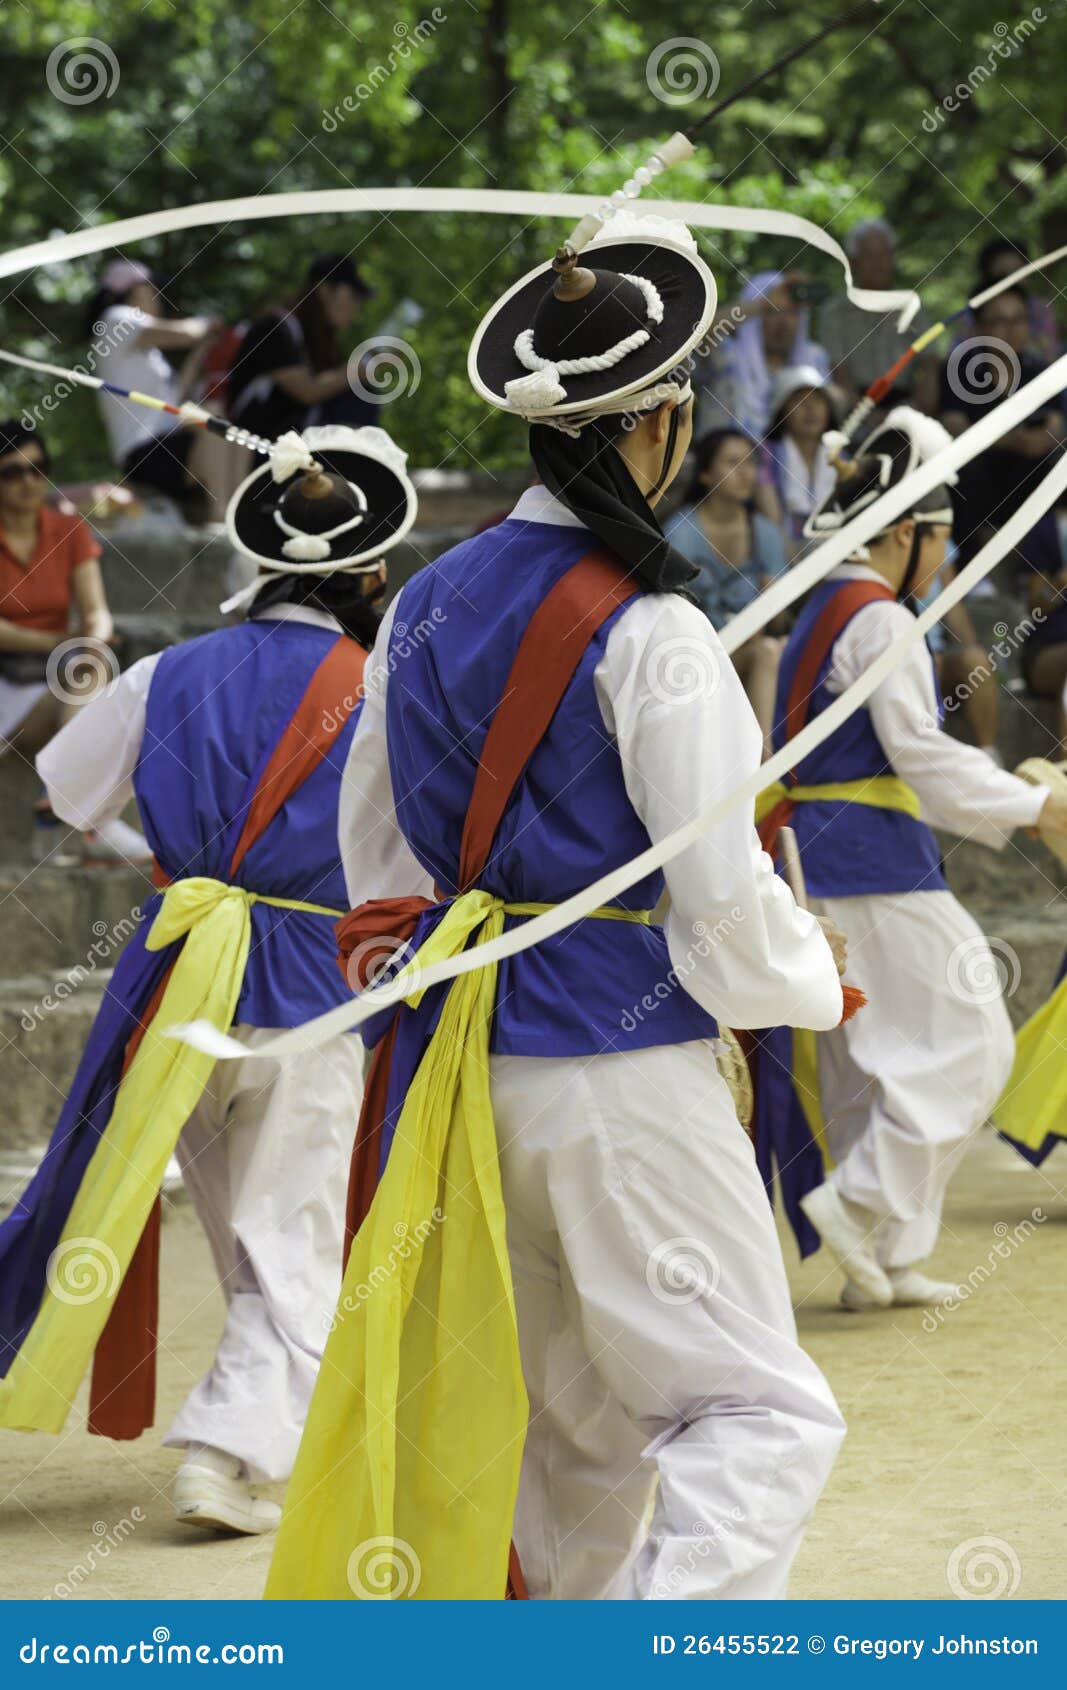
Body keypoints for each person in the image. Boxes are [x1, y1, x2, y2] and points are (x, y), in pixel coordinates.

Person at [267, 211, 849, 1603]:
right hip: (623, 1069)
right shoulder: (649, 631)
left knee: (576, 1437)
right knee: (757, 1412)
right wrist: (809, 979)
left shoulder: (409, 612)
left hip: (469, 1077)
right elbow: (715, 896)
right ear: (653, 419)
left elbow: (378, 871)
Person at [0, 425, 420, 1538]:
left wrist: (192, 845)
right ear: (370, 570)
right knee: (292, 1233)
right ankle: (225, 1450)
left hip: (176, 977)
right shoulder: (382, 690)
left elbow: (66, 789)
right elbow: (410, 860)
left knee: (223, 1226)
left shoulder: (162, 670)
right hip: (310, 982)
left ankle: (237, 1444)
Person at [754, 407, 1067, 1312]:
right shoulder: (879, 617)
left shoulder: (826, 606)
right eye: (937, 534)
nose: (945, 551)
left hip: (823, 857)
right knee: (971, 1039)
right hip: (870, 857)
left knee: (874, 1065)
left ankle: (884, 1258)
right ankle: (860, 1208)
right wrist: (1036, 803)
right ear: (900, 530)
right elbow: (920, 758)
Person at [0, 417, 149, 864]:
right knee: (97, 690)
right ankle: (88, 821)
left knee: (94, 669)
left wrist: (93, 642)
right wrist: (57, 642)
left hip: (49, 681)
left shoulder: (66, 531)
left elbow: (97, 613)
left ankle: (63, 795)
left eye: (37, 468)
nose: (28, 481)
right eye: (12, 472)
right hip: (7, 683)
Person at [663, 427, 788, 752]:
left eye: (750, 463)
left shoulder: (764, 531)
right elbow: (669, 616)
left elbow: (778, 618)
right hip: (693, 655)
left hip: (750, 649)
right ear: (705, 474)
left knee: (779, 647)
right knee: (768, 652)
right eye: (732, 463)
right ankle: (764, 760)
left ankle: (766, 754)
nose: (745, 473)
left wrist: (769, 609)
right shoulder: (680, 533)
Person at [940, 285, 1064, 579]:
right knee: (963, 474)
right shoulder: (961, 369)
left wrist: (1031, 440)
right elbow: (954, 427)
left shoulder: (1040, 369)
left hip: (1027, 473)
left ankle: (1046, 574)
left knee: (1052, 468)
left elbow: (1054, 429)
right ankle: (969, 573)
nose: (1011, 330)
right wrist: (1011, 439)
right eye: (1000, 321)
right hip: (979, 481)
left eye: (1019, 320)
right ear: (981, 328)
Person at [86, 259, 227, 517]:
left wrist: (203, 348)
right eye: (153, 288)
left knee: (221, 422)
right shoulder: (116, 319)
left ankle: (224, 511)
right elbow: (185, 333)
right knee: (216, 417)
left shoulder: (146, 353)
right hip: (147, 453)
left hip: (163, 448)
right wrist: (210, 323)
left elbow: (178, 399)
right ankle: (223, 515)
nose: (158, 297)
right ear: (136, 289)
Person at [227, 253, 375, 442]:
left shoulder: (315, 341)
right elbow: (307, 392)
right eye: (353, 296)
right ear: (324, 289)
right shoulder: (276, 327)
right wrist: (356, 369)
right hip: (252, 448)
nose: (357, 307)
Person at [819, 219, 937, 413]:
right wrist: (865, 415)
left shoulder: (913, 306)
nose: (878, 264)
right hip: (852, 405)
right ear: (854, 263)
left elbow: (929, 364)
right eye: (869, 256)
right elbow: (837, 369)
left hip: (905, 405)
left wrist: (915, 409)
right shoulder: (835, 311)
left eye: (884, 255)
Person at [700, 270, 828, 439]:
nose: (783, 323)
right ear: (755, 319)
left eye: (791, 313)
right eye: (772, 312)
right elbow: (698, 333)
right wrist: (760, 303)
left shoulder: (814, 359)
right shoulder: (729, 356)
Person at [757, 364, 841, 558]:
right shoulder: (767, 455)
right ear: (781, 410)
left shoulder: (839, 454)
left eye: (818, 401)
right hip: (783, 552)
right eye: (799, 401)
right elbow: (772, 520)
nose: (810, 409)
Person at [953, 237, 1060, 365]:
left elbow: (1049, 351)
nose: (1011, 279)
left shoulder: (1042, 308)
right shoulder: (972, 313)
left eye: (1018, 271)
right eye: (1003, 273)